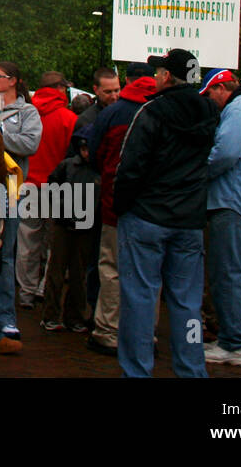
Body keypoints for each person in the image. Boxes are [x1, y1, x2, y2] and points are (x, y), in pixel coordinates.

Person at [114, 48, 218, 378]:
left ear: (168, 77)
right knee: (187, 304)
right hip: (188, 220)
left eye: (160, 72)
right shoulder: (210, 112)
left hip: (147, 215)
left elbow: (130, 166)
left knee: (140, 300)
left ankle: (137, 371)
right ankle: (191, 369)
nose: (156, 77)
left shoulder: (152, 112)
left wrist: (122, 205)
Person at [83, 62, 155, 355]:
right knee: (150, 272)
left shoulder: (114, 112)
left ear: (127, 82)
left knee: (111, 267)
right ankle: (146, 335)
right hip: (156, 206)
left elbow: (96, 153)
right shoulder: (166, 110)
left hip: (116, 201)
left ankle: (108, 331)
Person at [198, 68, 241, 367]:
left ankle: (235, 344)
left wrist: (197, 173)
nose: (209, 100)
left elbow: (226, 153)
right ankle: (232, 339)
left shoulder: (239, 109)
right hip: (240, 202)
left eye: (209, 93)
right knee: (230, 272)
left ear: (221, 88)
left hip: (232, 202)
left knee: (227, 273)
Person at [0, 61, 41, 354]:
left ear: (13, 81)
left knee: (5, 256)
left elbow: (30, 144)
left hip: (10, 191)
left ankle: (5, 320)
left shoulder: (27, 112)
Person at [18, 70, 77, 308]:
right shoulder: (69, 118)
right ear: (61, 89)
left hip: (27, 184)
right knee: (55, 245)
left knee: (26, 244)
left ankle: (25, 292)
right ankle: (44, 287)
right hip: (56, 189)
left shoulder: (25, 114)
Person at [40, 138, 98, 333]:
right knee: (57, 270)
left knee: (77, 273)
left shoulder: (95, 169)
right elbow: (52, 186)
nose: (86, 153)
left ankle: (74, 316)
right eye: (84, 149)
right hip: (64, 223)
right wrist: (61, 209)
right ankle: (51, 314)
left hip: (84, 225)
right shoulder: (68, 166)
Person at [74, 66, 120, 136]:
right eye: (108, 92)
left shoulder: (127, 116)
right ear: (96, 90)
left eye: (116, 90)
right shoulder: (85, 121)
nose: (114, 96)